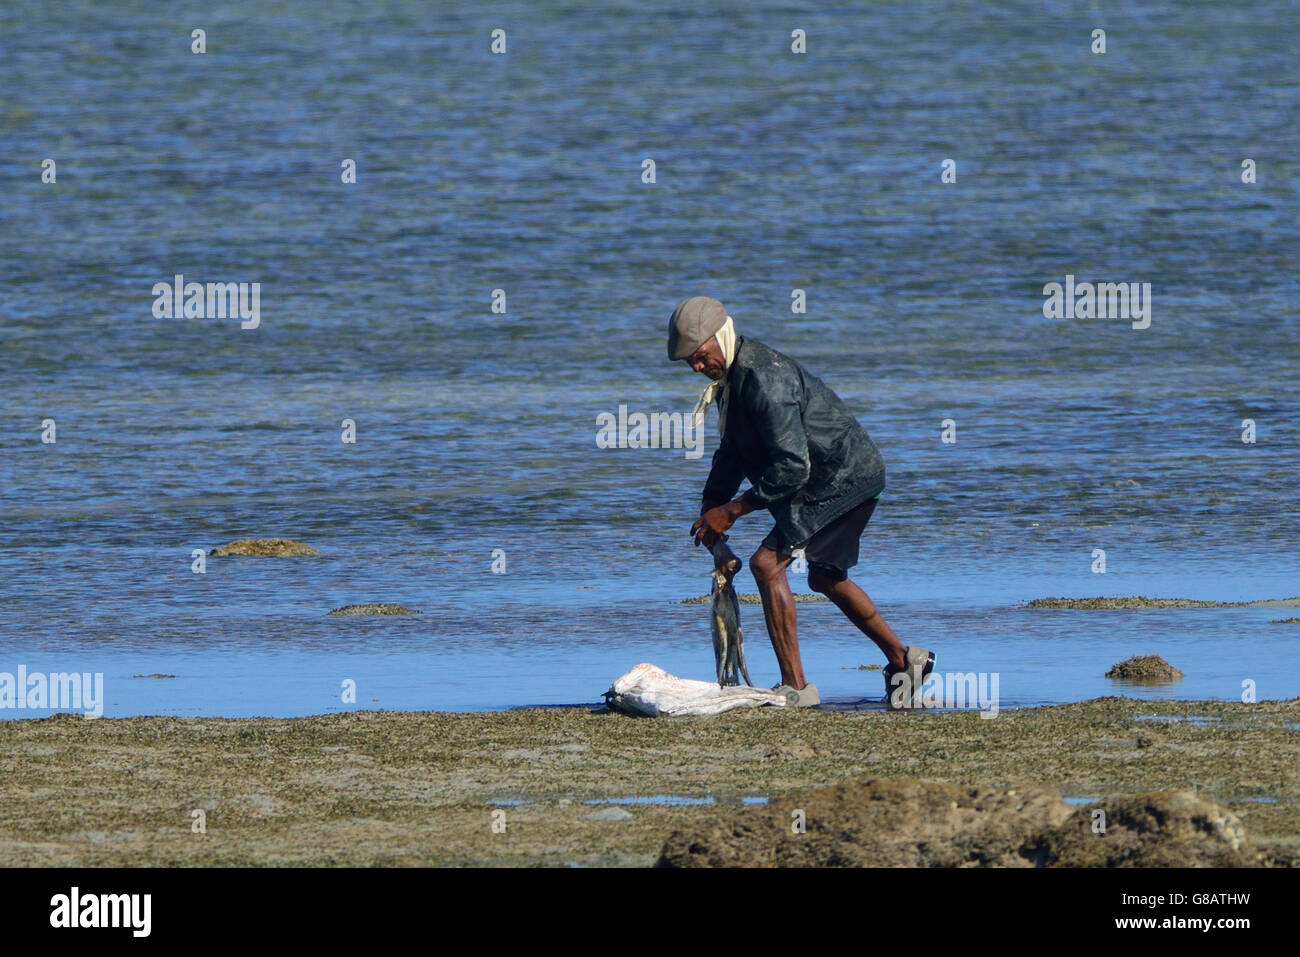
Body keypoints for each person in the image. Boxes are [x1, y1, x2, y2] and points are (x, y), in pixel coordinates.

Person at [668, 295, 934, 709]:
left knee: (766, 564)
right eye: (690, 363)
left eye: (701, 357)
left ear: (723, 336)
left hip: (844, 477)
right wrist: (711, 508)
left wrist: (733, 510)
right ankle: (905, 661)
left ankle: (796, 688)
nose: (698, 368)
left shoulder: (764, 381)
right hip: (827, 477)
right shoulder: (730, 385)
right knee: (825, 577)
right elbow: (732, 453)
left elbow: (793, 467)